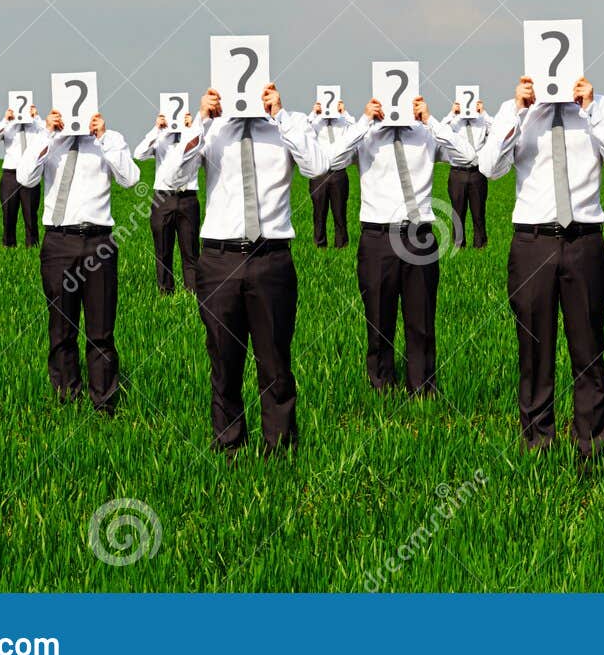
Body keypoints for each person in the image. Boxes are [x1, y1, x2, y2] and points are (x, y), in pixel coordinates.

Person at [477, 76, 604, 459]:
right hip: (533, 244)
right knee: (534, 352)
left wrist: (591, 109)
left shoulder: (603, 108)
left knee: (589, 350)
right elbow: (489, 167)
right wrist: (517, 111)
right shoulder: (517, 112)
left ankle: (594, 451)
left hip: (585, 243)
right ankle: (537, 447)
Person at [180, 84, 328, 452]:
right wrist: (200, 121)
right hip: (219, 261)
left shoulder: (286, 126)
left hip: (271, 259)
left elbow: (318, 167)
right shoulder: (212, 129)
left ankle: (279, 451)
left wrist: (279, 117)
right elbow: (173, 177)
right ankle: (229, 447)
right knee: (223, 362)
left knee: (276, 362)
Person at [325, 95, 474, 394]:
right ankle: (382, 387)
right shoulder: (366, 136)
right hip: (377, 237)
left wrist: (430, 121)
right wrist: (365, 121)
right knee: (379, 319)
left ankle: (423, 388)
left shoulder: (425, 135)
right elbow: (332, 161)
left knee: (421, 321)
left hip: (419, 236)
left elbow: (468, 157)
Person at [17, 108, 139, 413]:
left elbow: (130, 179)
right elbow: (25, 177)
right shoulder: (50, 142)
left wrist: (104, 137)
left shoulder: (109, 140)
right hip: (58, 242)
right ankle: (66, 398)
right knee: (61, 327)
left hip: (99, 243)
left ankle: (104, 403)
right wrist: (47, 135)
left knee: (101, 331)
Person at [133, 108, 200, 293]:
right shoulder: (160, 138)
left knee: (191, 251)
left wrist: (191, 129)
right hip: (162, 199)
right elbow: (139, 154)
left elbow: (204, 154)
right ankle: (165, 292)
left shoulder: (194, 136)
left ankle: (193, 294)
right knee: (162, 250)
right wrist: (157, 129)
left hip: (188, 197)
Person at [0, 104, 47, 247]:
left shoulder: (37, 126)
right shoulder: (8, 126)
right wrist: (5, 120)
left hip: (30, 174)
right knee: (8, 215)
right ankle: (8, 247)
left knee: (31, 216)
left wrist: (37, 117)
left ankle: (32, 247)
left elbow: (51, 135)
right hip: (10, 175)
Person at [309, 99, 356, 249]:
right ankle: (319, 245)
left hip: (339, 173)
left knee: (340, 211)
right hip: (319, 174)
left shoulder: (344, 122)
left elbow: (357, 134)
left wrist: (345, 113)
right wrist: (313, 114)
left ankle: (341, 246)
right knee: (318, 213)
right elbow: (302, 135)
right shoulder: (314, 123)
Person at [446, 98, 491, 248]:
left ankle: (480, 245)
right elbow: (438, 132)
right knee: (457, 212)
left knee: (479, 213)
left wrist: (483, 113)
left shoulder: (481, 121)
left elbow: (497, 132)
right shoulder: (453, 123)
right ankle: (459, 246)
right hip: (457, 172)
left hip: (478, 172)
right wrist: (452, 113)